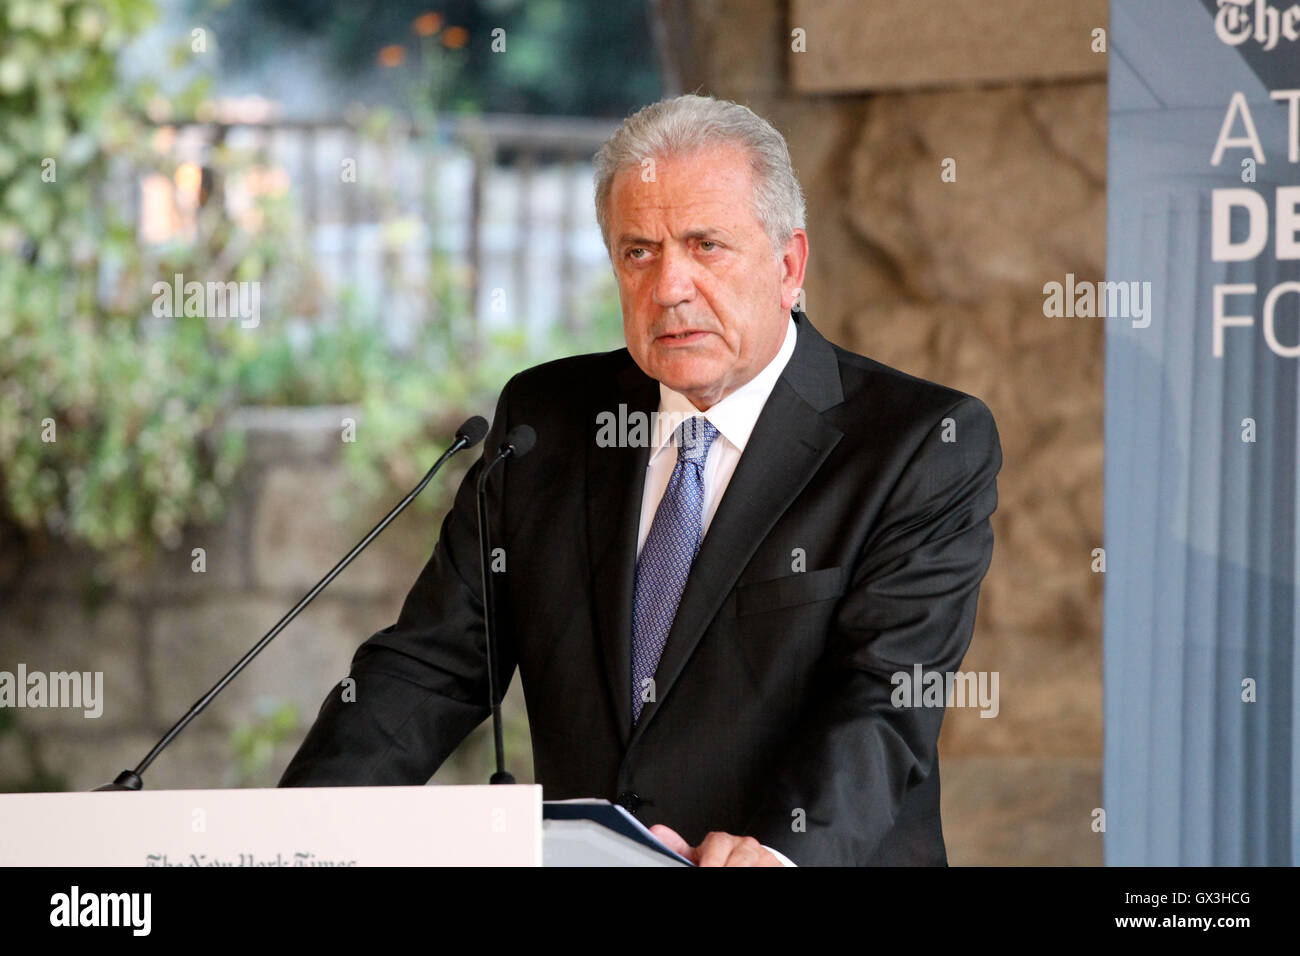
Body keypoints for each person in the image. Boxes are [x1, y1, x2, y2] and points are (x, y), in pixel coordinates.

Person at [279, 94, 1002, 867]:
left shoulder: (918, 444)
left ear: (788, 266)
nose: (669, 286)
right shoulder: (544, 423)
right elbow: (431, 667)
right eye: (638, 252)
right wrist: (291, 839)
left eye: (706, 246)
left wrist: (782, 852)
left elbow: (884, 699)